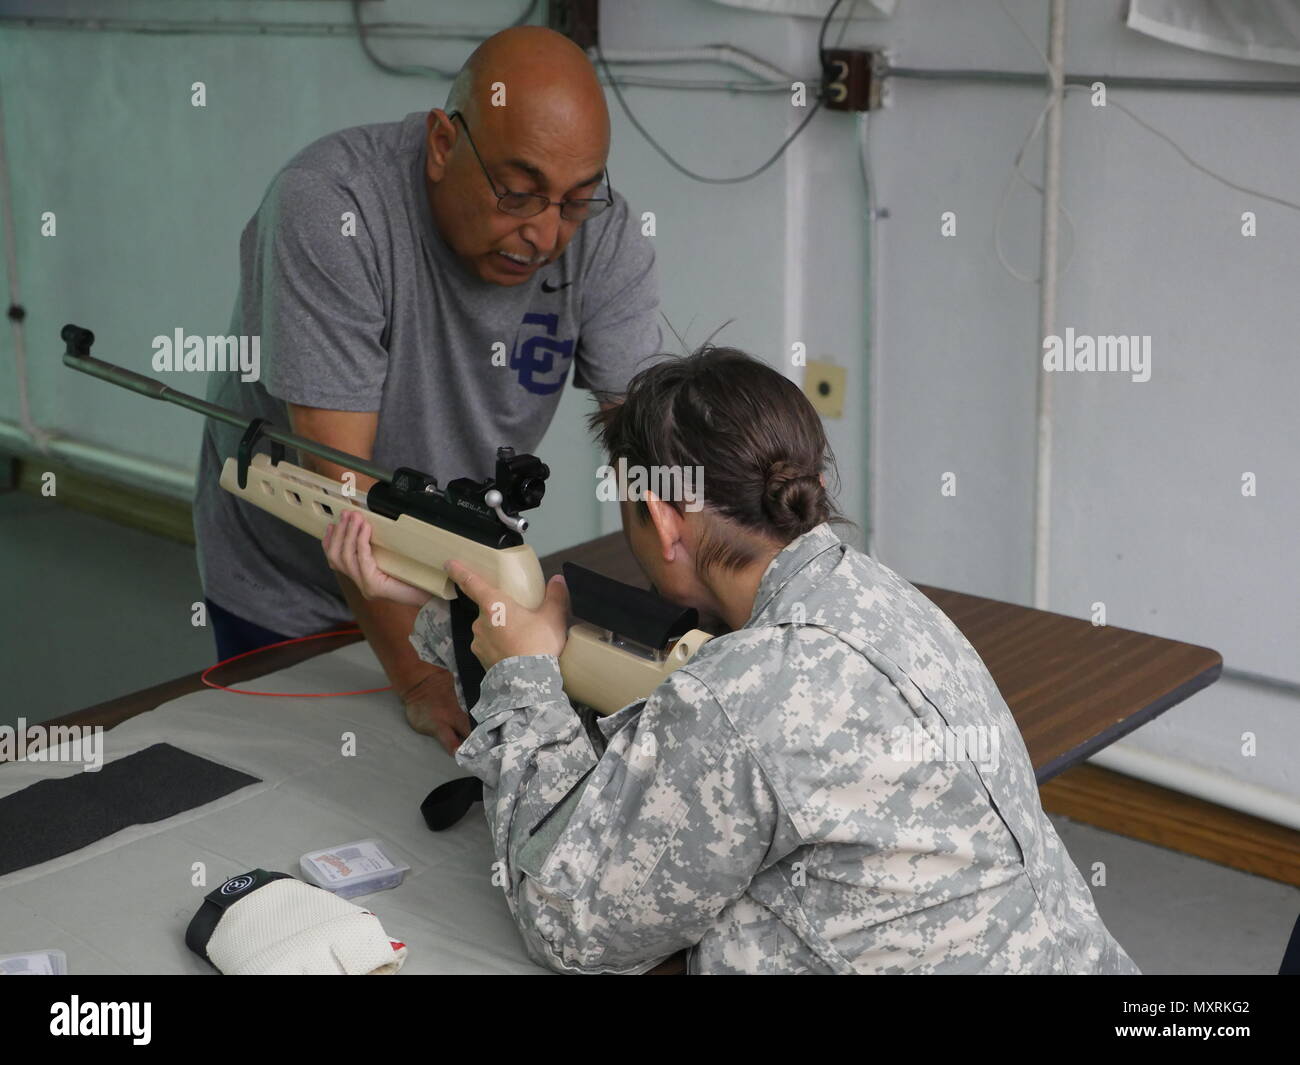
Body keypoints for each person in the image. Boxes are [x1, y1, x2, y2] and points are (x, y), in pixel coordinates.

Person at [323, 346, 1142, 976]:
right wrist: (436, 609)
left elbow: (569, 922)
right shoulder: (882, 596)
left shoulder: (742, 694)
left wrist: (523, 678)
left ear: (663, 518)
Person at [192, 25, 661, 755]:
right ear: (443, 144)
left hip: (452, 575)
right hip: (291, 577)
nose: (545, 235)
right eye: (518, 193)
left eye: (573, 202)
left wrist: (688, 621)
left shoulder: (600, 232)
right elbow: (341, 495)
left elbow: (649, 451)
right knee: (284, 797)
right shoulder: (333, 206)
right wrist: (417, 676)